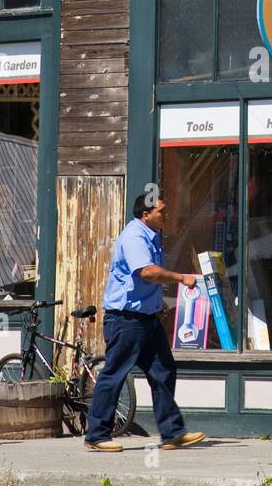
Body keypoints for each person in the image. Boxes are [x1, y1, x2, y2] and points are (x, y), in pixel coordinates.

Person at [84, 193, 207, 452]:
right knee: (115, 373)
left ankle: (172, 432)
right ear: (145, 215)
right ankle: (96, 434)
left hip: (146, 319)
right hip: (126, 319)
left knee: (163, 369)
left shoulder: (151, 236)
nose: (166, 215)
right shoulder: (134, 237)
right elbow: (147, 272)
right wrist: (181, 278)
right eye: (161, 211)